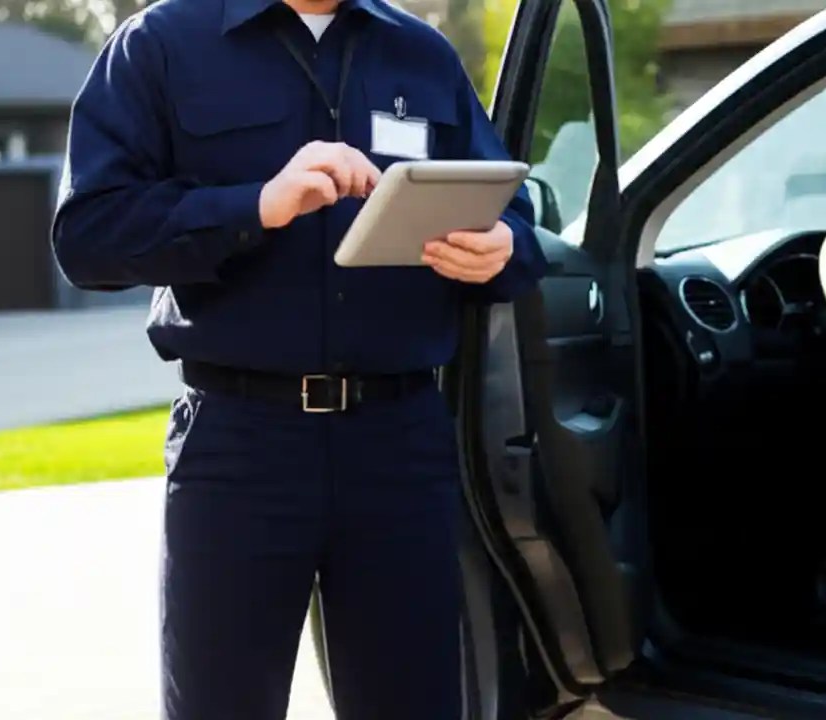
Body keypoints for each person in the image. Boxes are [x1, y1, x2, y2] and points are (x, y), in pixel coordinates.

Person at [50, 0, 548, 717]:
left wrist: (503, 248)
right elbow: (87, 239)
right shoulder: (158, 46)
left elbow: (514, 219)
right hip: (241, 449)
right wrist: (256, 206)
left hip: (399, 446)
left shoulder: (422, 54)